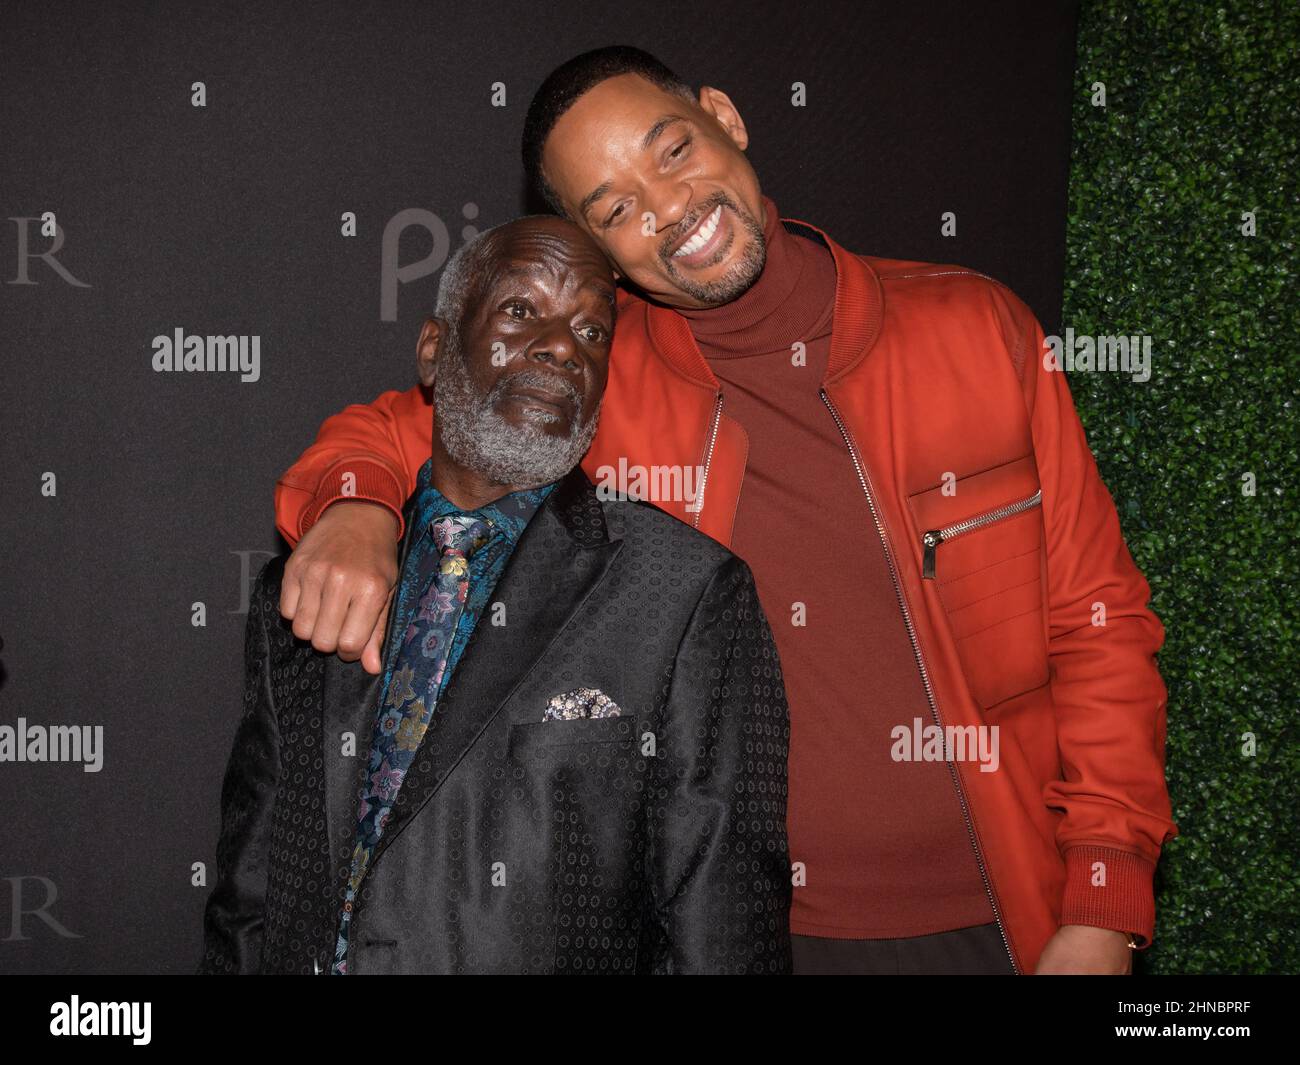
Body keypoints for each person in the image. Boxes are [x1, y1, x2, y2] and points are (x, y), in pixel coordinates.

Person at [270, 47, 1177, 975]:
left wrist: (1104, 899)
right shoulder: (596, 384)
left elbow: (1099, 626)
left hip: (1012, 922)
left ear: (725, 118)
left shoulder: (977, 330)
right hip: (751, 938)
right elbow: (389, 431)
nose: (667, 208)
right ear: (601, 253)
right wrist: (354, 511)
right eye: (616, 209)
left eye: (671, 151)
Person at [198, 214, 792, 974]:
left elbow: (724, 926)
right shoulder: (308, 585)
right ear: (435, 348)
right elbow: (250, 890)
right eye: (521, 310)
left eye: (592, 331)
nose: (561, 345)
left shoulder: (684, 593)